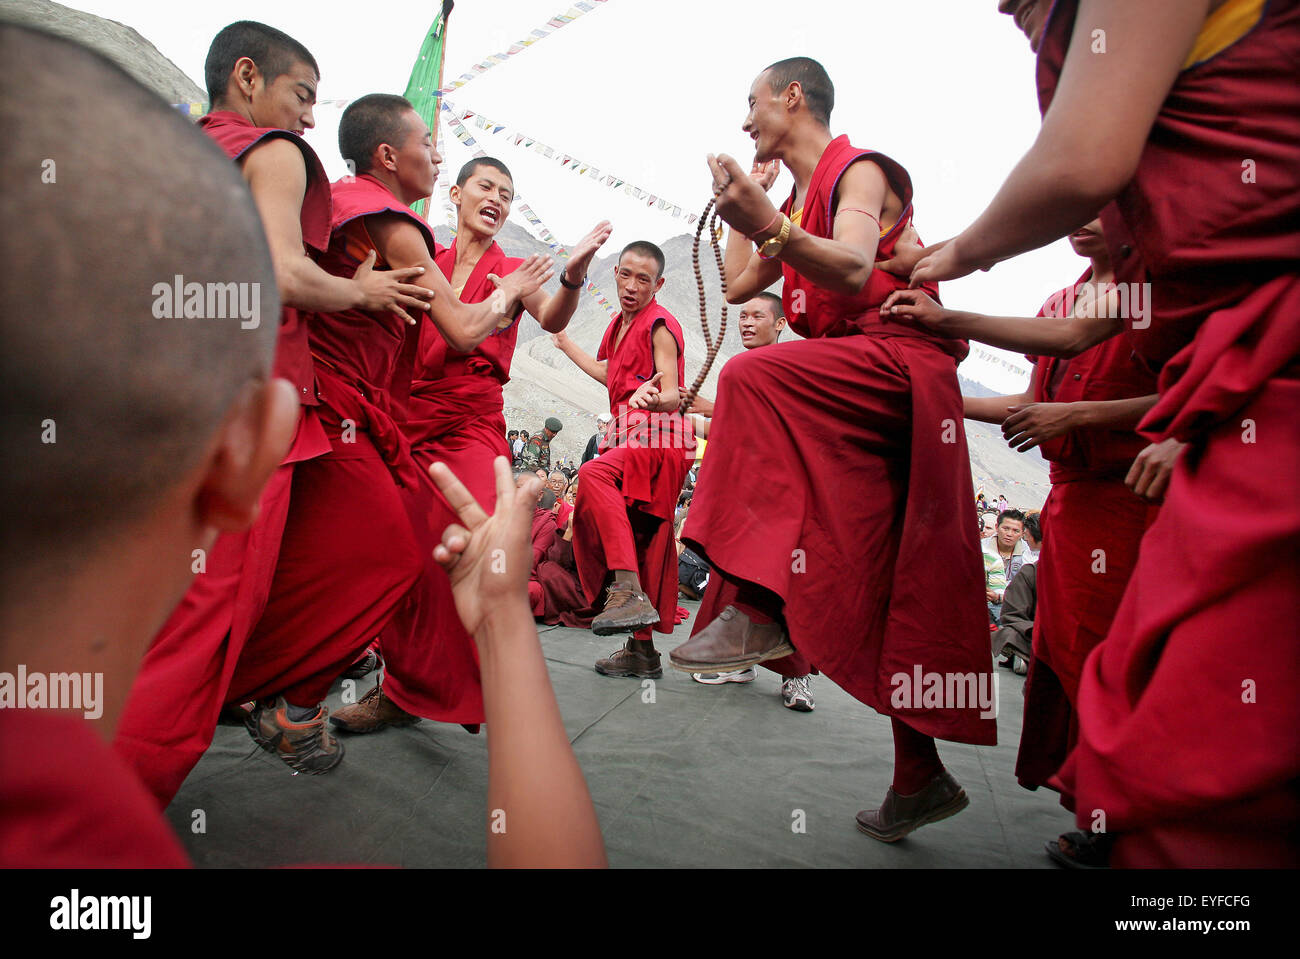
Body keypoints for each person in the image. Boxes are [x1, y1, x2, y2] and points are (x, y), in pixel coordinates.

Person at [897, 0, 1300, 867]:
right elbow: (1058, 363)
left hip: (1213, 438)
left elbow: (1081, 162)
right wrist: (942, 356)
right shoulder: (1099, 292)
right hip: (1188, 437)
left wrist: (953, 259)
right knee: (1142, 704)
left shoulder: (1127, 268)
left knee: (1201, 743)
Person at [112, 21, 448, 799]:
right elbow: (279, 270)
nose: (308, 121)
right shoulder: (273, 153)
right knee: (210, 614)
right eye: (302, 97)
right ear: (247, 77)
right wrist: (361, 291)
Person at [669, 57, 994, 843]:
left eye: (751, 103)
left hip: (897, 369)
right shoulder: (793, 200)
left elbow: (850, 265)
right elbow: (746, 284)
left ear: (792, 98)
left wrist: (773, 224)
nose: (745, 119)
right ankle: (918, 777)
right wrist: (742, 214)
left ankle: (756, 606)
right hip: (853, 387)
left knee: (752, 380)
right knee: (887, 580)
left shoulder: (861, 173)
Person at [331, 157, 605, 735]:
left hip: (472, 422)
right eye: (487, 186)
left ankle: (482, 683)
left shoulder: (511, 268)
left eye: (508, 193)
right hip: (407, 418)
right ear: (456, 194)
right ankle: (401, 691)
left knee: (478, 544)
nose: (498, 199)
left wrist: (574, 275)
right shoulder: (424, 255)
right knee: (407, 558)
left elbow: (552, 314)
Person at [552, 242, 693, 679]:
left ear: (659, 285)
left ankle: (627, 589)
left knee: (593, 473)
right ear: (614, 272)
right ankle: (642, 652)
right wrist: (563, 343)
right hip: (627, 438)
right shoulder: (617, 325)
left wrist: (654, 397)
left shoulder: (661, 327)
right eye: (626, 275)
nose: (632, 286)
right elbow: (609, 374)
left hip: (659, 437)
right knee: (643, 539)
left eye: (644, 280)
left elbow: (672, 391)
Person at [684, 292, 817, 712]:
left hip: (780, 498)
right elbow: (735, 427)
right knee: (733, 577)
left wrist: (697, 415)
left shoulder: (793, 367)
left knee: (775, 586)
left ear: (780, 324)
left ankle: (797, 677)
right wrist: (687, 416)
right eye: (742, 316)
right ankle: (740, 664)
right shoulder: (738, 369)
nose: (746, 322)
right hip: (744, 496)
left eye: (757, 316)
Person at [983, 509, 1026, 624]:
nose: (1009, 534)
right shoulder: (980, 548)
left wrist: (1000, 597)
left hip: (1016, 608)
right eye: (1005, 528)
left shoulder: (1028, 555)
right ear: (997, 527)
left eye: (1015, 531)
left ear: (1023, 533)